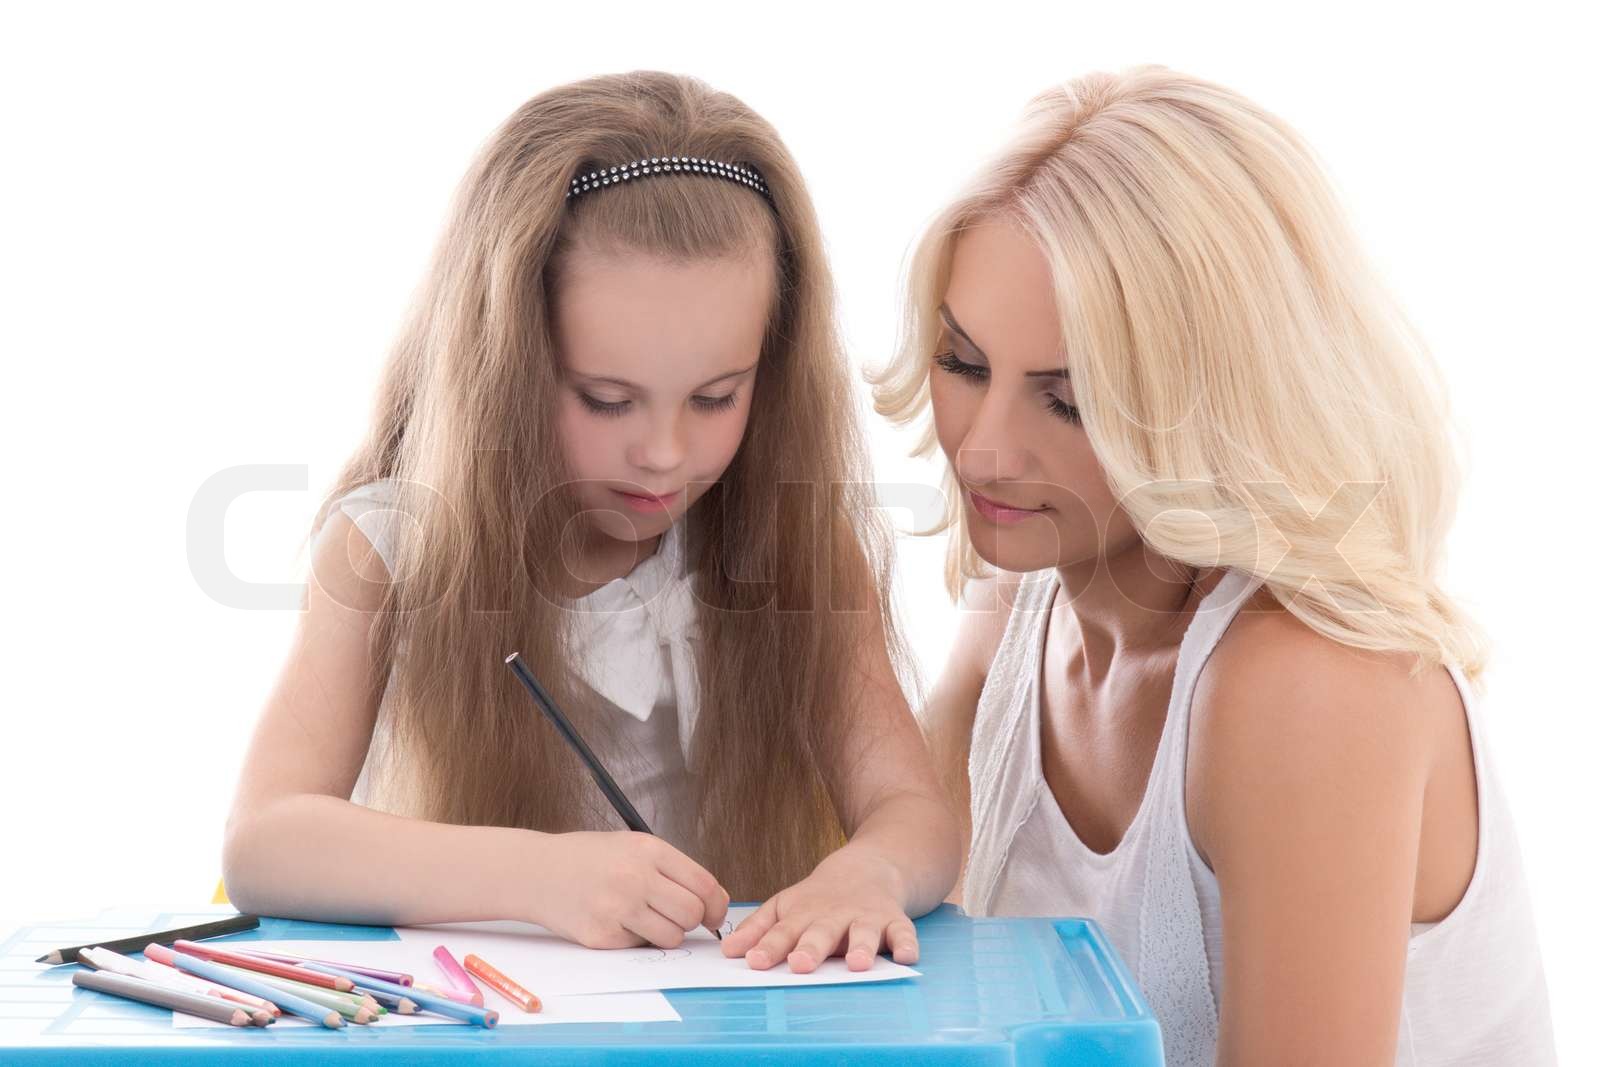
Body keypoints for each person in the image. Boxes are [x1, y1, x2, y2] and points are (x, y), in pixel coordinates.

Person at [874, 66, 1555, 1064]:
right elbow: (882, 910)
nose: (982, 450)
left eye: (1069, 400)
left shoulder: (1308, 681)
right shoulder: (1013, 608)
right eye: (964, 363)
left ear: (1209, 406)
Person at [223, 71, 959, 975]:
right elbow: (265, 842)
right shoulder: (391, 548)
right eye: (608, 400)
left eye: (716, 397)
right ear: (506, 366)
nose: (664, 452)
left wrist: (869, 870)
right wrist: (541, 875)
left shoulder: (790, 540)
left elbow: (915, 815)